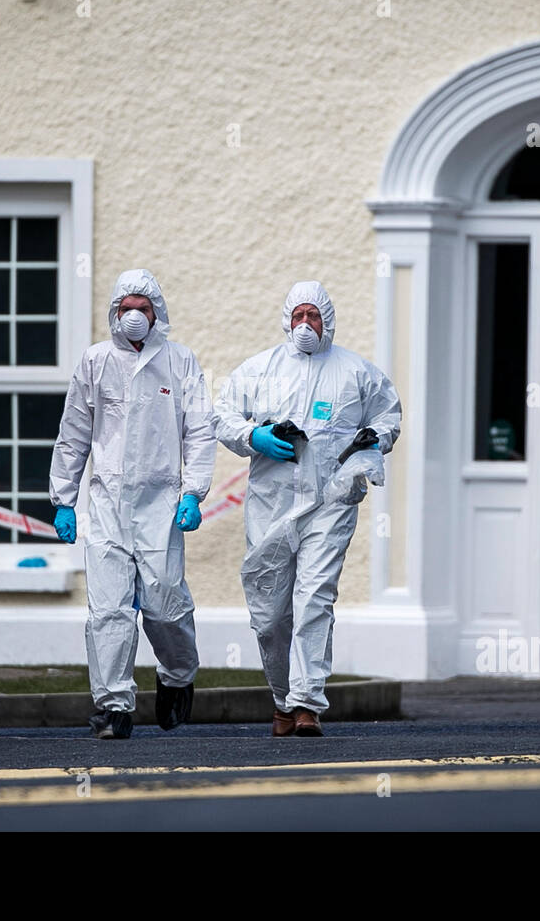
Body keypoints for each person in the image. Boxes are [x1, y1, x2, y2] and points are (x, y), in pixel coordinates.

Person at [212, 280, 401, 737]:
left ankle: (307, 705)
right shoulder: (260, 370)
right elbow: (221, 414)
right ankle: (282, 700)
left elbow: (388, 415)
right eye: (297, 316)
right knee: (270, 612)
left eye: (312, 316)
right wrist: (253, 436)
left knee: (315, 596)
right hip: (272, 503)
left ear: (327, 320)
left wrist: (374, 438)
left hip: (330, 501)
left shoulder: (358, 374)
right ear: (286, 320)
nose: (304, 325)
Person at [49, 269, 215, 739]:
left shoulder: (180, 362)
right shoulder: (96, 361)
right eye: (128, 309)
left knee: (165, 605)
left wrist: (193, 492)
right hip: (106, 501)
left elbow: (199, 431)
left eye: (144, 309)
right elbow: (74, 431)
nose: (136, 317)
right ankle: (113, 706)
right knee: (108, 609)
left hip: (162, 501)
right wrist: (63, 498)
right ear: (115, 313)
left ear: (157, 313)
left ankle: (178, 675)